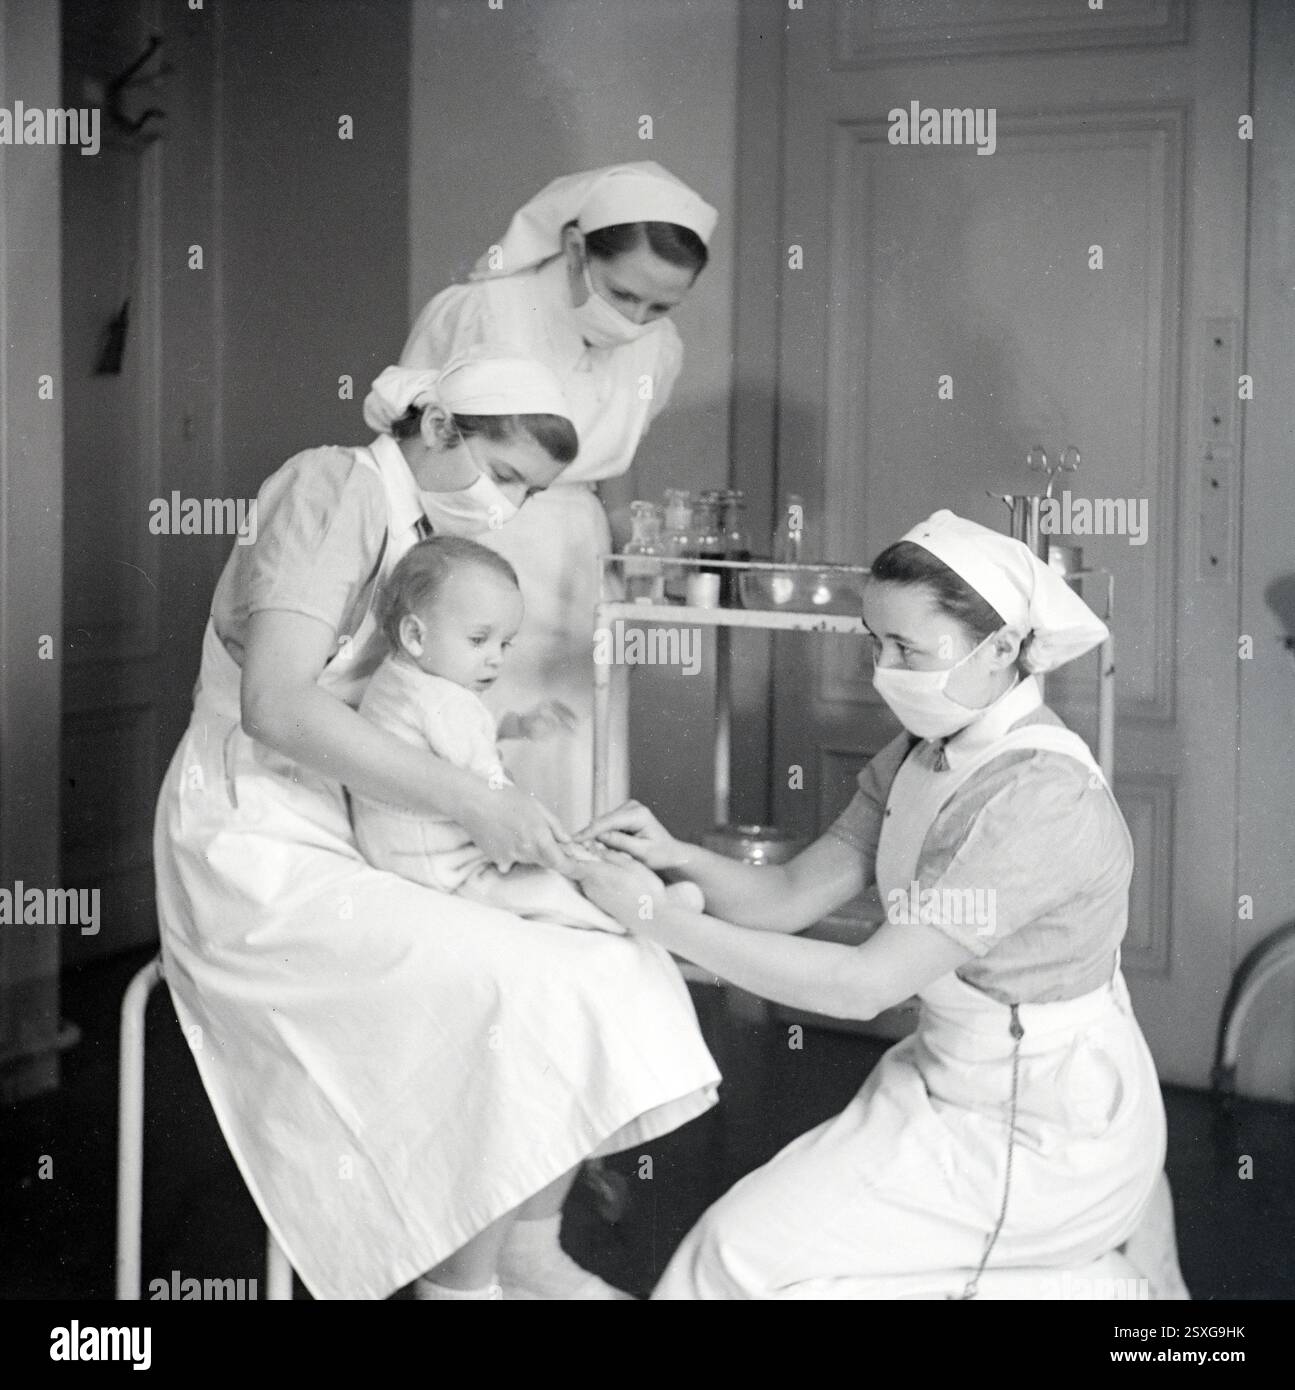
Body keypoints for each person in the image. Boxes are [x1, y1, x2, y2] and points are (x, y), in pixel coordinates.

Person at [152, 351, 721, 1302]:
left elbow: (401, 711)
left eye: (525, 496)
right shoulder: (332, 489)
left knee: (605, 964)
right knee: (525, 984)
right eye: (501, 478)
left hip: (360, 824)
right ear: (441, 428)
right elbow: (279, 710)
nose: (502, 510)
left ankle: (527, 1251)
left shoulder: (412, 524)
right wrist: (470, 801)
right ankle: (457, 1287)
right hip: (255, 841)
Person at [575, 510, 1189, 1300]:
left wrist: (653, 918)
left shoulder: (1040, 801)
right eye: (874, 642)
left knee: (734, 1265)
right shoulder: (924, 752)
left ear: (1001, 647)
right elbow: (790, 895)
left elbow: (862, 985)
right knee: (747, 1258)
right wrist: (674, 857)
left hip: (1037, 1131)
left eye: (907, 649)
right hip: (943, 1080)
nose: (880, 670)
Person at [401, 161, 718, 830]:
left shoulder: (658, 349)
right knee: (461, 727)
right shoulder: (482, 310)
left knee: (573, 737)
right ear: (575, 248)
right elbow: (412, 445)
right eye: (621, 292)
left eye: (659, 306)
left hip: (577, 556)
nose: (635, 319)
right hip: (468, 542)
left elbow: (601, 469)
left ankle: (568, 899)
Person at [351, 535, 703, 932]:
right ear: (415, 635)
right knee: (549, 888)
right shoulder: (448, 702)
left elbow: (446, 737)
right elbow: (493, 793)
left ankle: (645, 901)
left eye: (505, 643)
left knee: (563, 869)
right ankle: (633, 919)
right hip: (445, 868)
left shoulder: (399, 678)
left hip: (395, 848)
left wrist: (516, 725)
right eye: (478, 640)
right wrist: (550, 842)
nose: (496, 658)